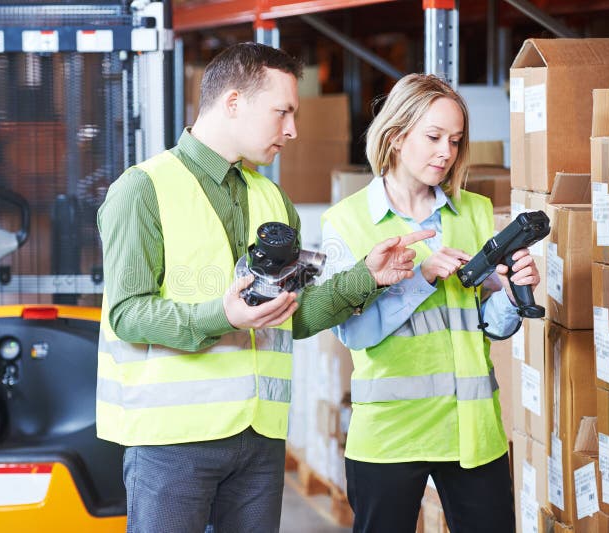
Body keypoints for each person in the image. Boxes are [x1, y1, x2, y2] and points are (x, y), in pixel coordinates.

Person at [96, 43, 434, 533]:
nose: (293, 130)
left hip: (259, 440)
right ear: (233, 103)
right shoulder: (142, 189)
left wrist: (368, 276)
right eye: (283, 112)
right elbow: (127, 314)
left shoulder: (271, 197)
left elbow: (294, 315)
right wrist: (223, 316)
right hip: (172, 444)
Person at [321, 73, 540, 533]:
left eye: (456, 141)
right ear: (397, 136)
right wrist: (421, 278)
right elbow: (355, 334)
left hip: (472, 431)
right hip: (391, 433)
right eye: (434, 137)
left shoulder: (476, 211)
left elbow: (490, 328)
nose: (447, 152)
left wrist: (515, 295)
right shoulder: (347, 221)